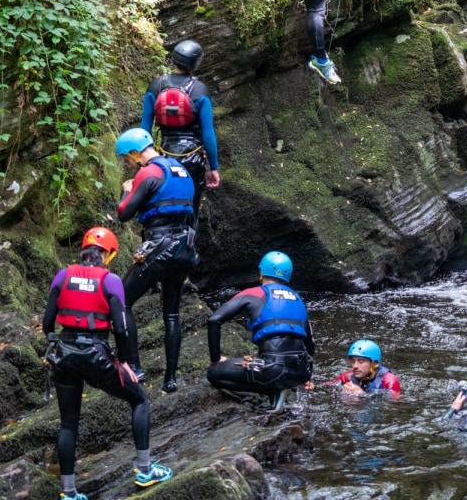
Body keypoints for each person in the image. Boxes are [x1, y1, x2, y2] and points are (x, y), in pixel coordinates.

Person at [43, 227, 173, 499]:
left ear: (83, 251)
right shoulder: (110, 280)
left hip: (64, 353)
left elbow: (47, 323)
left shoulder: (62, 275)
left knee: (68, 424)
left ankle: (68, 492)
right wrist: (123, 361)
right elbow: (122, 328)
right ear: (108, 254)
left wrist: (57, 342)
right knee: (139, 400)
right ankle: (145, 470)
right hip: (96, 353)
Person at [115, 128, 197, 393]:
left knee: (121, 300)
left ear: (135, 153)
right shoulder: (181, 169)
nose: (126, 164)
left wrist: (127, 191)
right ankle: (171, 378)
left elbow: (124, 214)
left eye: (126, 158)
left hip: (159, 246)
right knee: (171, 312)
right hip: (185, 246)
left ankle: (135, 367)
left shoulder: (148, 172)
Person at [207, 251, 314, 408]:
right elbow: (310, 344)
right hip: (300, 372)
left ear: (261, 272)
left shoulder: (254, 293)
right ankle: (285, 386)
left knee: (213, 374)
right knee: (276, 367)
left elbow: (214, 320)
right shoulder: (298, 298)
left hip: (272, 369)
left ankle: (270, 391)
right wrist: (307, 376)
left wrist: (215, 359)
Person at [139, 39, 219, 222]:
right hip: (193, 161)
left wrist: (145, 162)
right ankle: (188, 243)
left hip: (162, 157)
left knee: (163, 204)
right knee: (190, 208)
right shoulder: (200, 91)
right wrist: (213, 168)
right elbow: (208, 135)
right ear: (196, 63)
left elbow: (145, 129)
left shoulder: (155, 86)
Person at [309, 339, 401, 397]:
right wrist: (314, 387)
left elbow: (393, 405)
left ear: (374, 364)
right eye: (353, 361)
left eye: (361, 361)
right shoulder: (347, 377)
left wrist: (362, 394)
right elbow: (327, 386)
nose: (355, 366)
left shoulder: (389, 381)